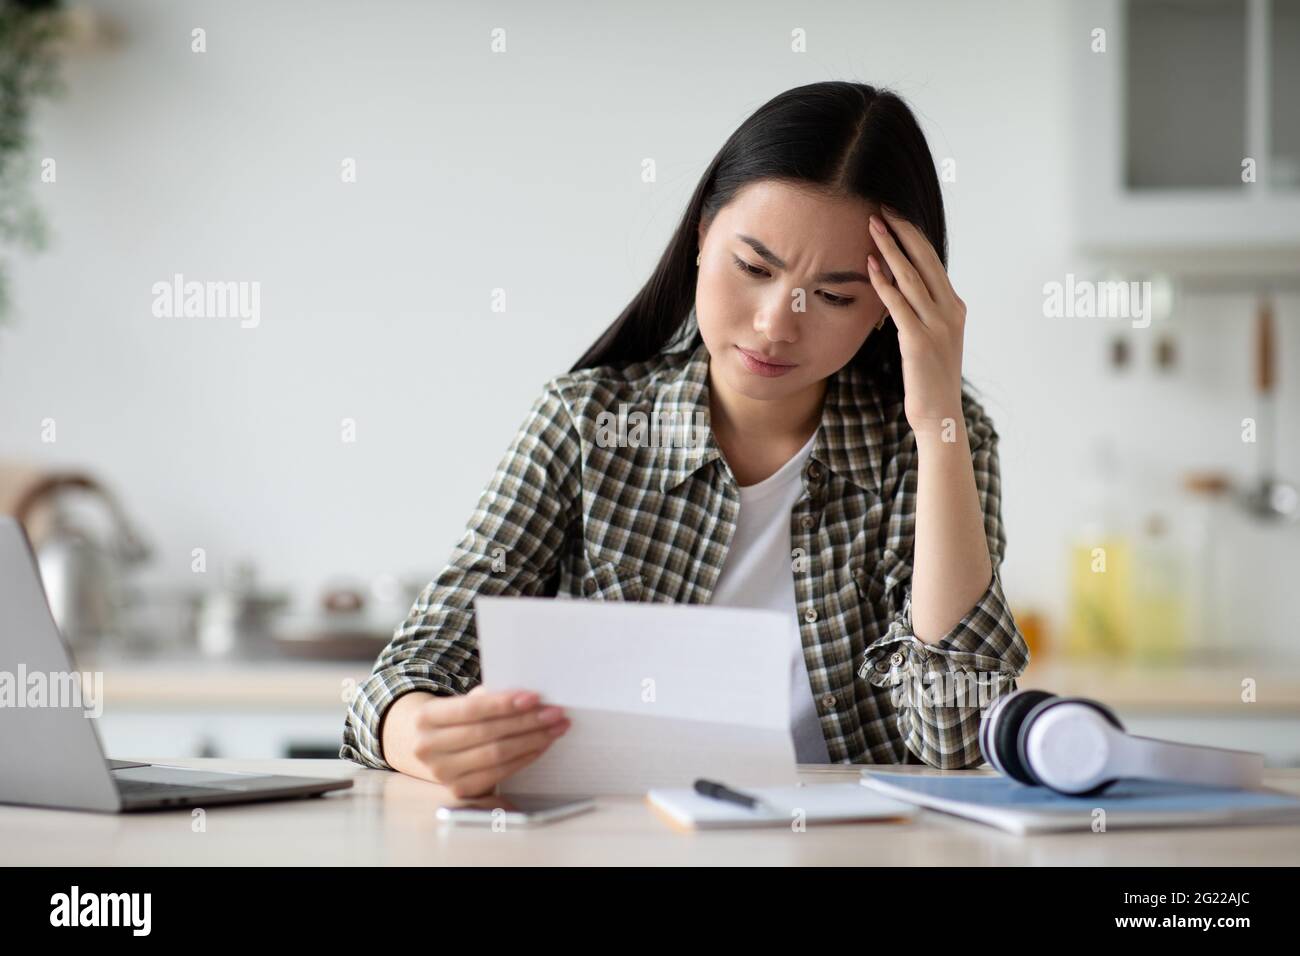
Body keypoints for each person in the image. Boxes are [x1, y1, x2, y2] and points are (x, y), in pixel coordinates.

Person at [341, 80, 1030, 798]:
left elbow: (956, 736)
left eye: (833, 296)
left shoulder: (934, 444)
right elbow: (409, 669)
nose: (775, 324)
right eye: (754, 268)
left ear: (893, 307)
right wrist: (413, 730)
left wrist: (937, 420)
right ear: (702, 237)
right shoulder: (587, 424)